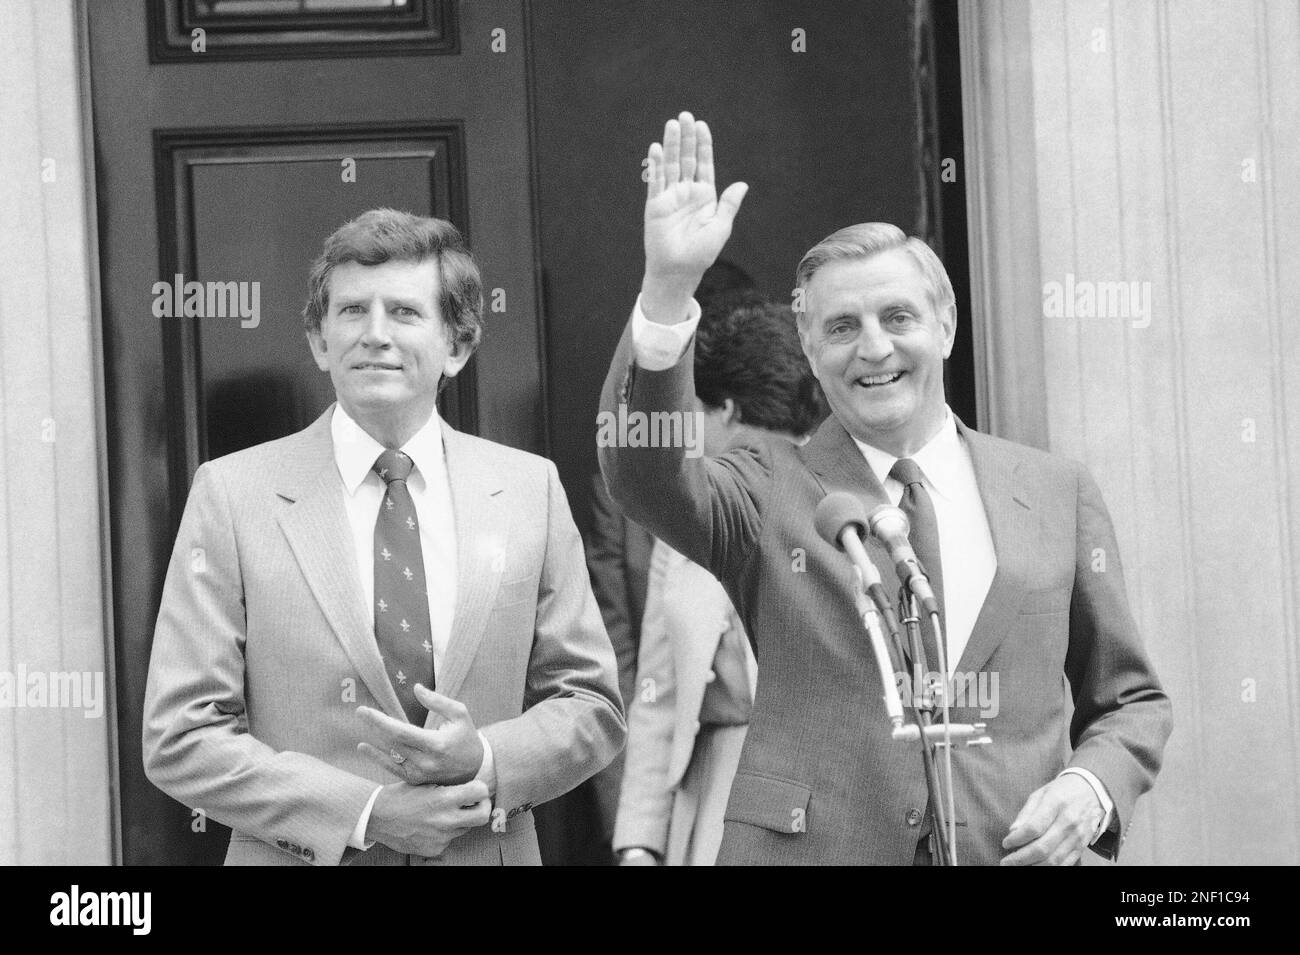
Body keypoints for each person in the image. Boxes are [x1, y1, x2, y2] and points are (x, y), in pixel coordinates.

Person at [599, 113, 1171, 865]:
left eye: (897, 316)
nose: (873, 348)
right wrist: (667, 289)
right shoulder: (766, 489)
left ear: (947, 324)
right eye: (840, 327)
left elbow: (1130, 701)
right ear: (809, 346)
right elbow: (645, 473)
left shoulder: (1056, 491)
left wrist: (1090, 788)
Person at [143, 208, 625, 866]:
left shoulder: (528, 490)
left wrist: (484, 759)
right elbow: (181, 732)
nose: (374, 334)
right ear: (318, 339)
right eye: (351, 312)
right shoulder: (231, 495)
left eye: (403, 312)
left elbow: (592, 703)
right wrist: (368, 813)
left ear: (458, 344)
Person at [614, 296, 825, 866]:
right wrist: (639, 842)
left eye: (698, 412)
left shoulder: (847, 511)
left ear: (727, 411)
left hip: (823, 803)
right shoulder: (687, 522)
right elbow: (658, 695)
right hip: (710, 794)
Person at [581, 260, 759, 860]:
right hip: (692, 792)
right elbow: (629, 666)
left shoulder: (835, 500)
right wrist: (634, 836)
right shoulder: (634, 487)